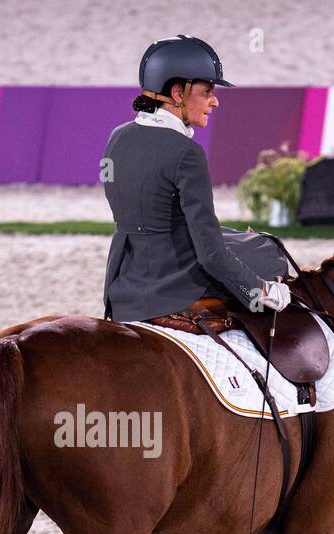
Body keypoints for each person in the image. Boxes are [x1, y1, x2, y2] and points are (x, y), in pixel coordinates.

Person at [101, 34, 292, 324]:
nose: (215, 102)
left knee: (243, 240)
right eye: (207, 91)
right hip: (170, 281)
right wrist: (261, 292)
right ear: (178, 93)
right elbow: (210, 254)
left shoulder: (118, 136)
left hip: (125, 276)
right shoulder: (187, 153)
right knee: (270, 253)